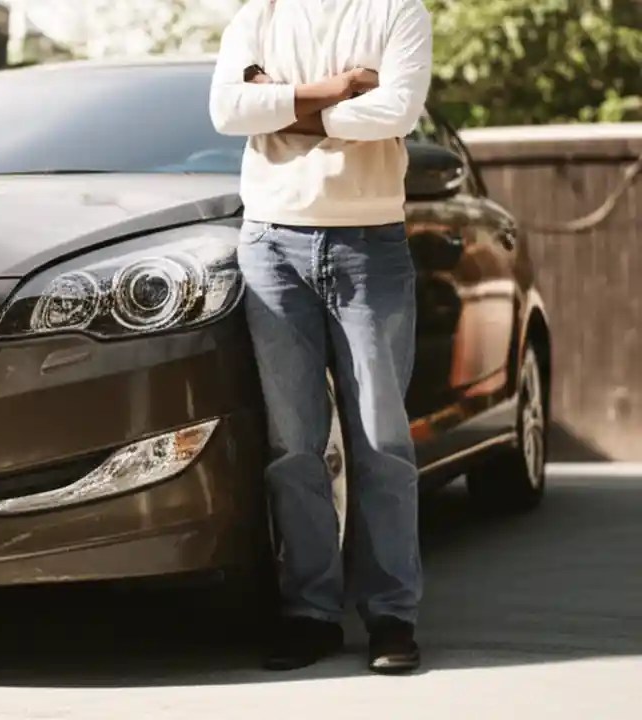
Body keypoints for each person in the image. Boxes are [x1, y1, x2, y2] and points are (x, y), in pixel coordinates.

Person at [208, 0, 433, 674]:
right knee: (293, 444)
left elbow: (397, 113)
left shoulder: (398, 11)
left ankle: (391, 616)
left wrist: (284, 103)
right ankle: (309, 613)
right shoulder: (259, 14)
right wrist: (337, 90)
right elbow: (227, 111)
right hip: (271, 245)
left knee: (382, 441)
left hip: (370, 246)